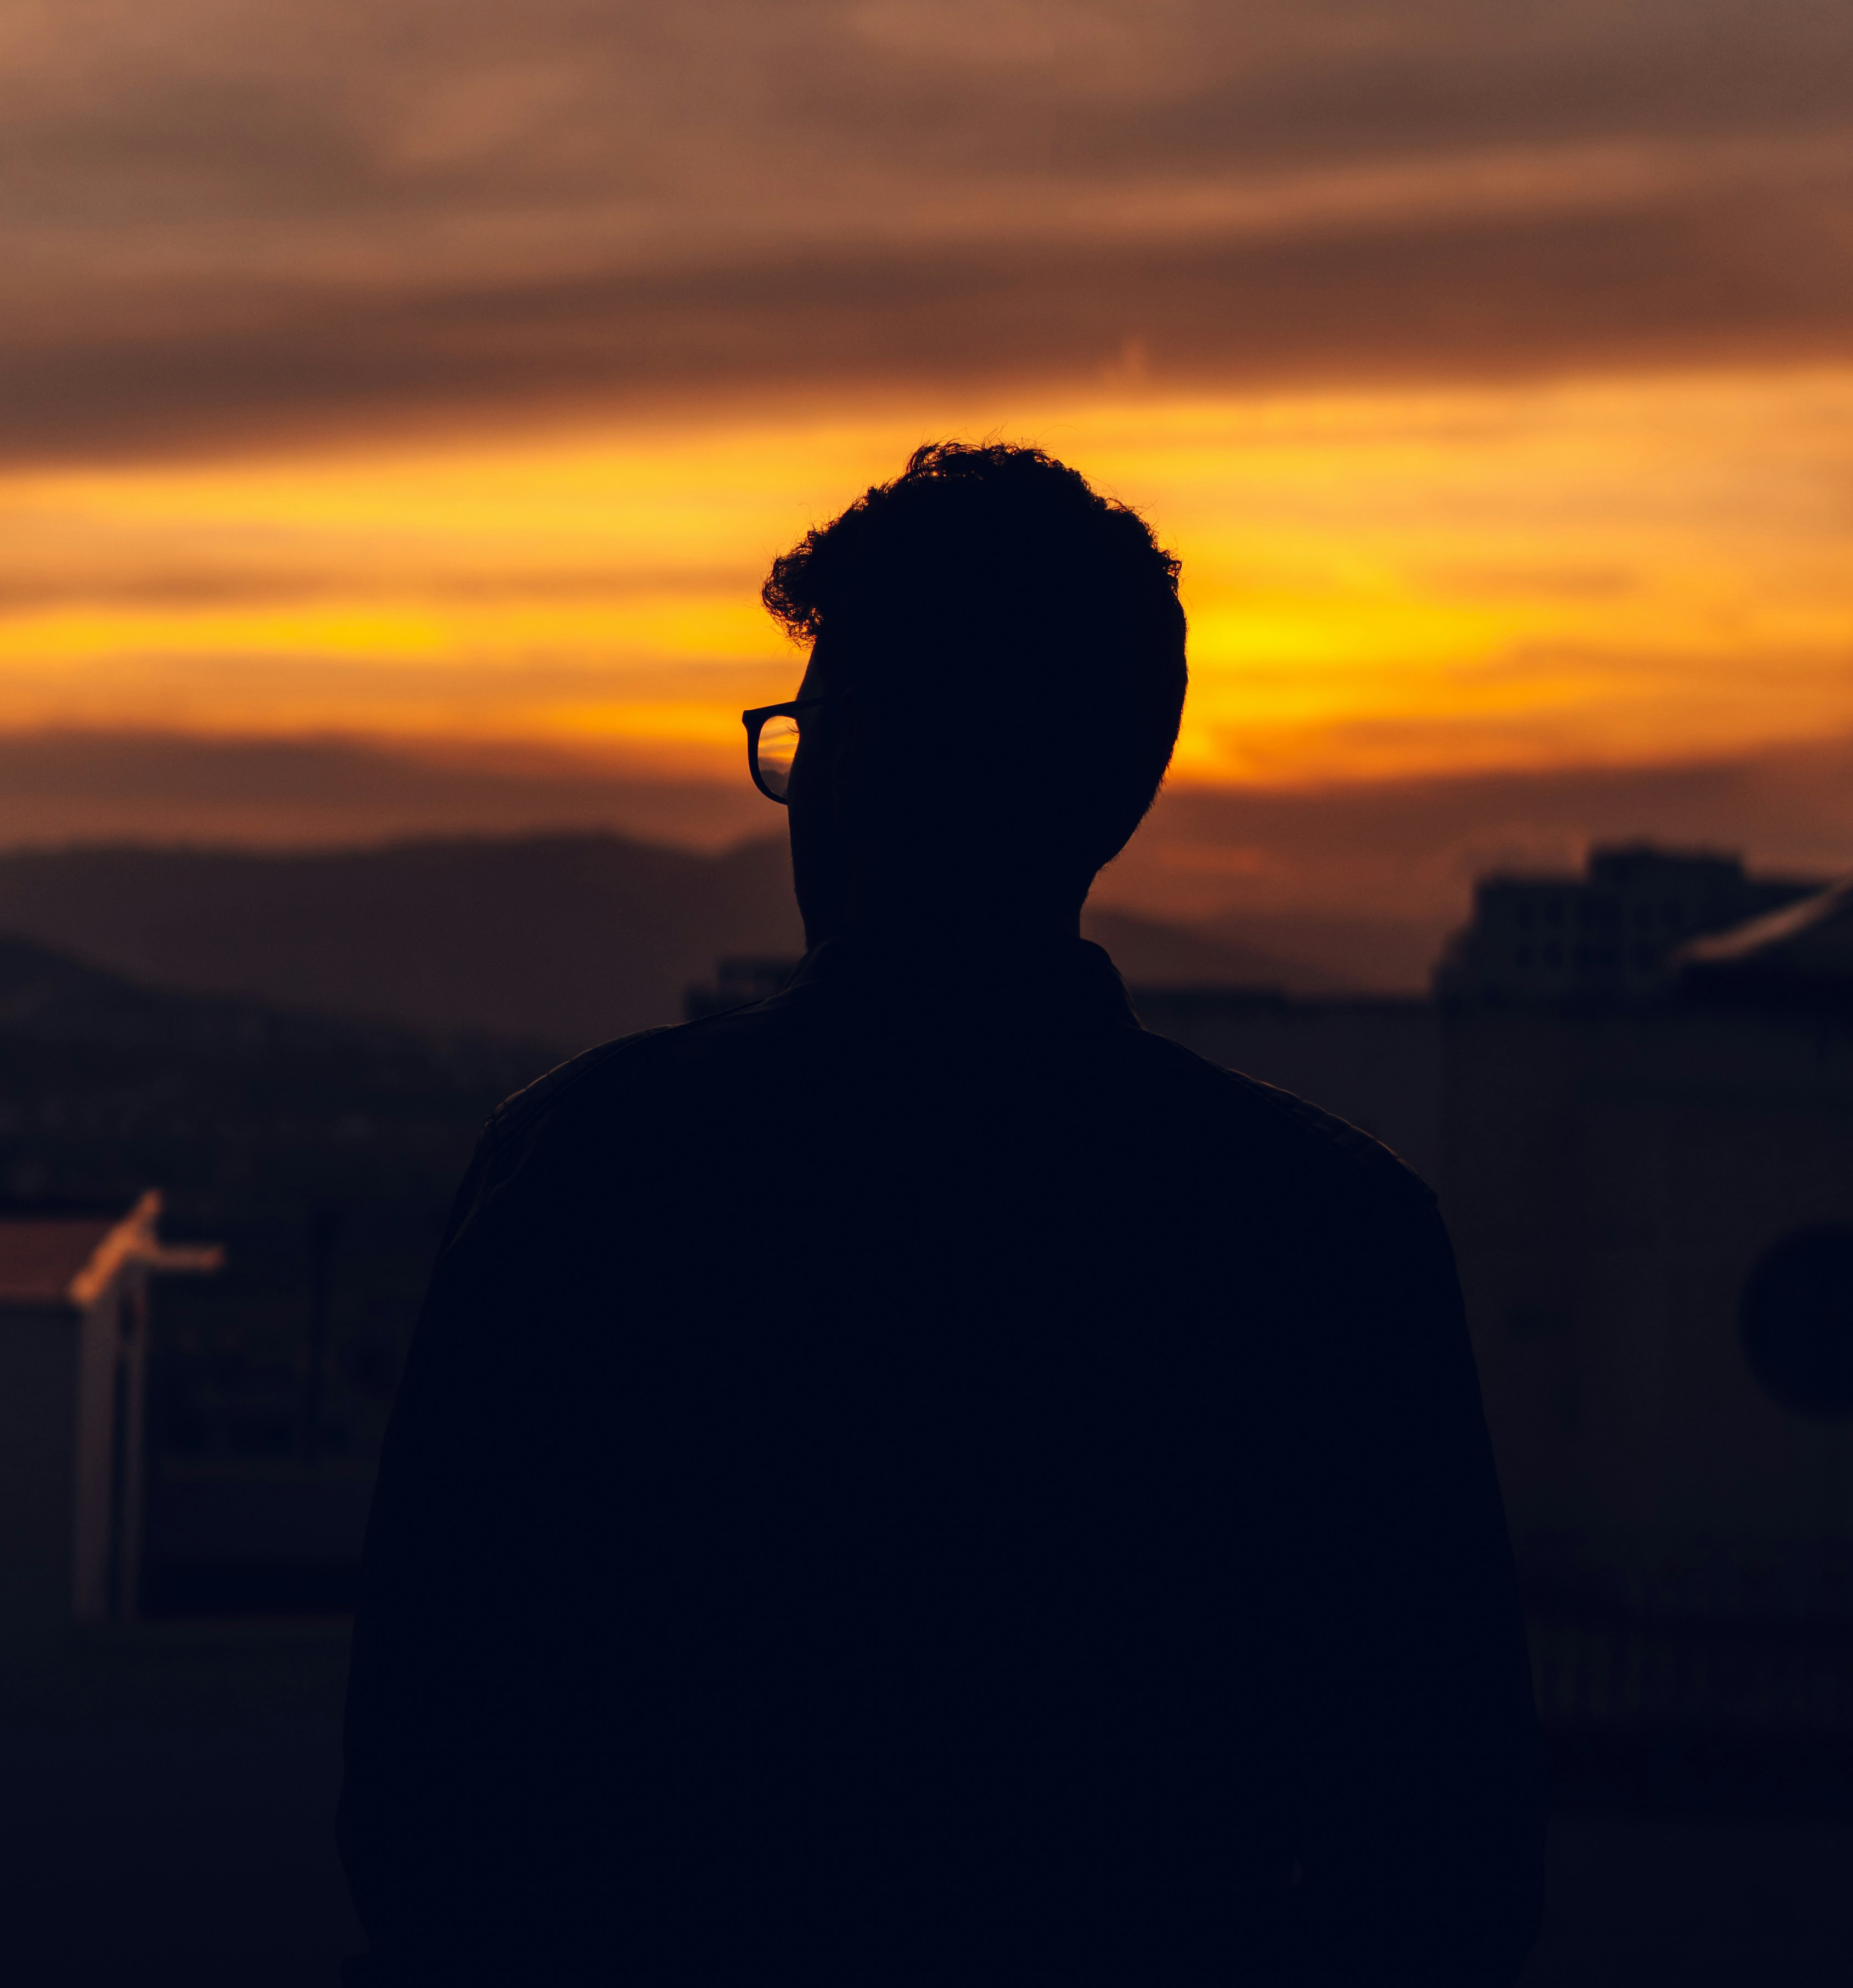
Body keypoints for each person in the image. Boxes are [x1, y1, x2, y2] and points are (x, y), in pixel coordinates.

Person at [339, 442, 1547, 1984]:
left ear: (848, 769)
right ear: (1121, 792)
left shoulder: (588, 1180)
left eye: (814, 730)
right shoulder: (1329, 1245)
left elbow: (427, 1803)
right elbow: (1450, 1859)